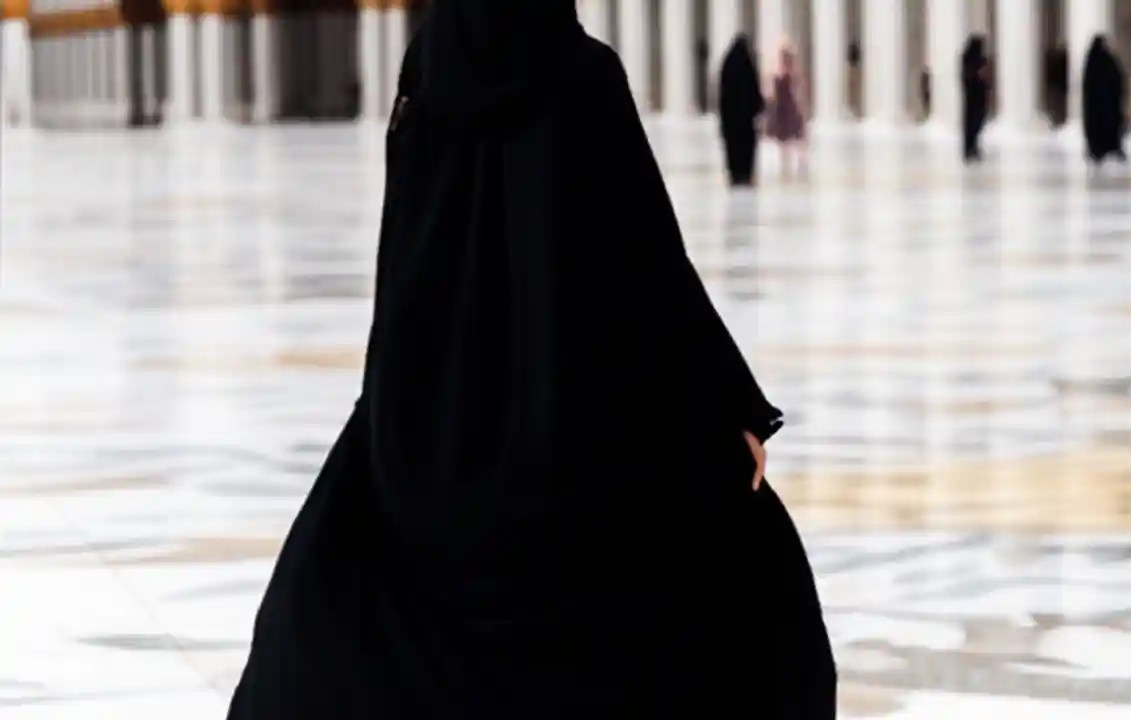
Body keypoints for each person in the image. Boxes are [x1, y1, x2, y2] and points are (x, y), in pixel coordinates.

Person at [226, 2, 836, 719]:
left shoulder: (429, 66)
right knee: (749, 586)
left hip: (435, 419)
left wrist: (393, 396)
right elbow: (644, 264)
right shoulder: (584, 75)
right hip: (568, 416)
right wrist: (725, 402)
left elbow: (407, 250)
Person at [718, 34, 765, 187]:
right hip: (746, 120)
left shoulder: (728, 65)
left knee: (732, 148)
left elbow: (723, 94)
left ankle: (735, 174)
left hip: (730, 120)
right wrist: (758, 107)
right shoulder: (748, 66)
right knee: (746, 148)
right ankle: (745, 174)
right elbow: (754, 90)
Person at [1082, 35, 1128, 164]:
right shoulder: (1103, 60)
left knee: (1108, 126)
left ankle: (1104, 149)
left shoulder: (1096, 60)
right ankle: (1101, 149)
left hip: (1104, 104)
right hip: (1103, 104)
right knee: (1105, 126)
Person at [766, 41, 808, 179]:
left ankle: (800, 163)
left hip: (788, 107)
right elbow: (772, 93)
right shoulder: (782, 72)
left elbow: (797, 92)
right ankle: (789, 164)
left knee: (796, 137)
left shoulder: (791, 74)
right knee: (786, 138)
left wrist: (801, 107)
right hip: (782, 107)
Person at [960, 35, 991, 162]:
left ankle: (973, 147)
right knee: (972, 124)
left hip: (978, 97)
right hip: (973, 98)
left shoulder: (980, 60)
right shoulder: (969, 61)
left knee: (976, 123)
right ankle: (970, 149)